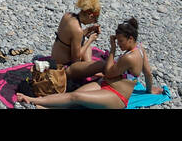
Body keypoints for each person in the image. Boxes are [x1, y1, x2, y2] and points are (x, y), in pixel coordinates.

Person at [17, 18, 155, 108]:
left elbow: (109, 71)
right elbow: (148, 73)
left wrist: (112, 49)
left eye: (120, 41)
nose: (119, 44)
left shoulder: (130, 58)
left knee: (76, 97)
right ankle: (44, 104)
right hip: (105, 85)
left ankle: (33, 100)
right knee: (73, 96)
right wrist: (149, 90)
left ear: (130, 38)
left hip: (117, 96)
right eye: (117, 42)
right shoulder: (140, 49)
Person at [48, 0, 106, 83]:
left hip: (55, 57)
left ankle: (89, 66)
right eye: (95, 19)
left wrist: (89, 29)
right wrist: (90, 40)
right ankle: (91, 69)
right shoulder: (77, 31)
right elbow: (76, 59)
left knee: (86, 47)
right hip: (63, 66)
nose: (94, 22)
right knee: (92, 53)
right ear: (90, 16)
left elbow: (71, 37)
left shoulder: (67, 16)